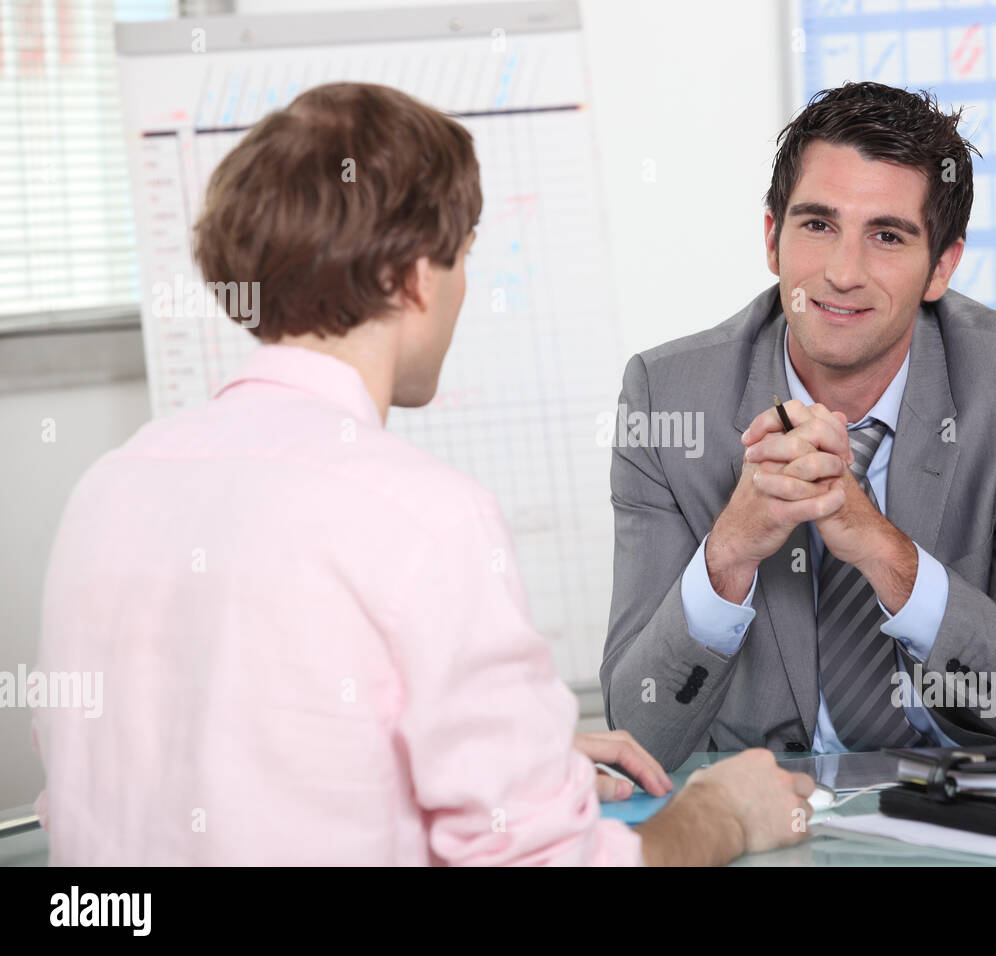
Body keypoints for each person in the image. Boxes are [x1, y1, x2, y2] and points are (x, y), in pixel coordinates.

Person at [33, 82, 813, 866]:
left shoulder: (108, 488)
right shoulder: (423, 519)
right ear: (413, 278)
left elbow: (134, 791)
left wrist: (513, 769)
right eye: (463, 256)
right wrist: (724, 815)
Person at [601, 81, 996, 772]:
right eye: (817, 225)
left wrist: (883, 552)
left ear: (942, 267)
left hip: (980, 805)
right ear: (773, 238)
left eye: (888, 236)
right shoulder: (666, 399)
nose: (842, 273)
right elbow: (636, 736)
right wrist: (728, 556)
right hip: (775, 814)